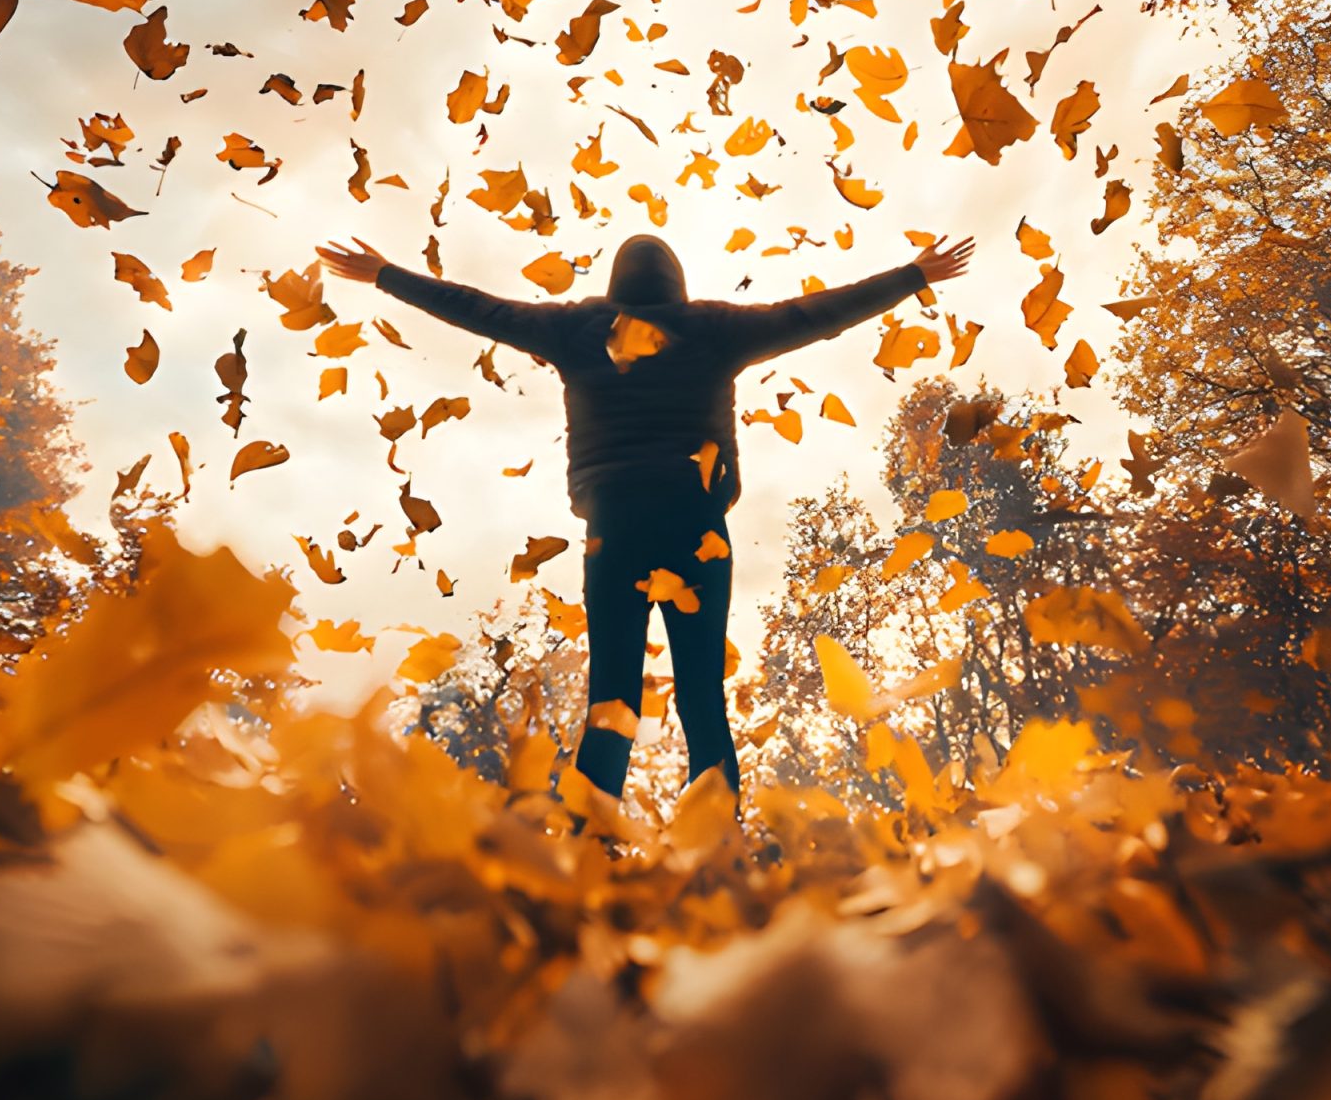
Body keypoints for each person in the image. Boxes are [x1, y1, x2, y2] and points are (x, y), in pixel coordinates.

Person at [311, 230, 977, 802]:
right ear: (678, 286)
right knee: (700, 697)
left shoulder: (577, 329)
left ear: (613, 284)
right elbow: (813, 314)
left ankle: (590, 841)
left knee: (613, 696)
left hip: (616, 525)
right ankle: (717, 839)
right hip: (697, 527)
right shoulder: (715, 329)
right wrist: (913, 275)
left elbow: (479, 309)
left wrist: (385, 275)